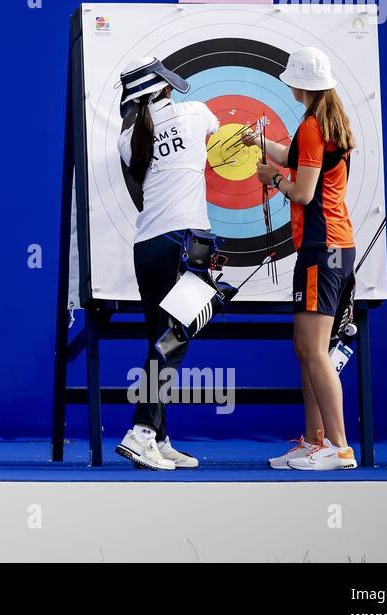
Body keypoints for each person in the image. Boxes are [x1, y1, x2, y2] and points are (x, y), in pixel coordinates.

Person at [243, 47, 358, 471]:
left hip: (321, 248)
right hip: (328, 248)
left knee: (314, 348)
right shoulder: (323, 121)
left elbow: (302, 192)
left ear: (300, 84)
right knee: (307, 348)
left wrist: (270, 178)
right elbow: (295, 159)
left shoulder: (313, 127)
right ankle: (315, 440)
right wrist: (262, 144)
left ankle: (339, 447)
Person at [115, 56, 219, 471]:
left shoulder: (128, 139)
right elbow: (214, 133)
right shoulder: (195, 114)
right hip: (186, 244)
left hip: (148, 247)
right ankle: (141, 433)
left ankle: (159, 436)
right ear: (163, 85)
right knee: (173, 340)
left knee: (160, 339)